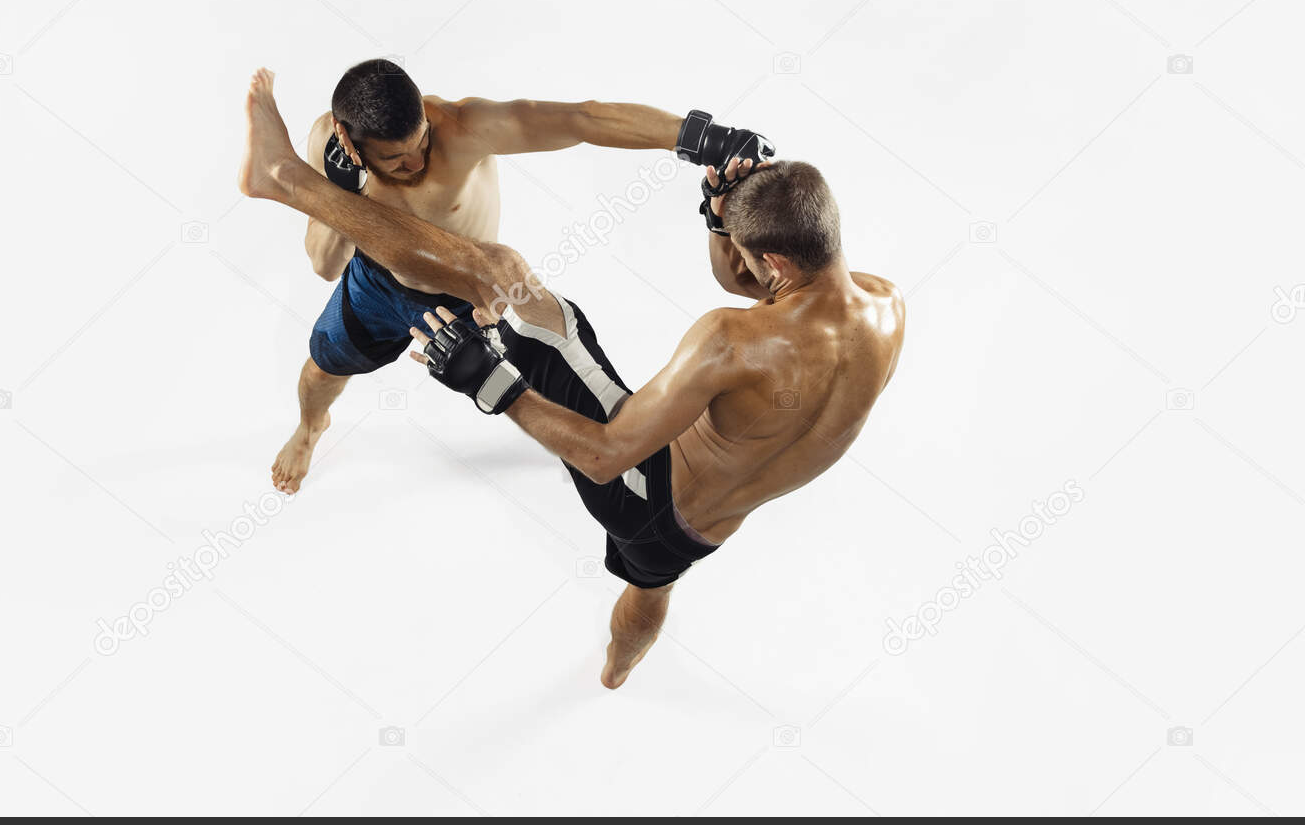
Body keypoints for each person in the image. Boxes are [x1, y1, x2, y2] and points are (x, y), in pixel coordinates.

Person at [241, 69, 904, 689]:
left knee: (529, 296)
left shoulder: (730, 342)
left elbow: (603, 454)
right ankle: (616, 671)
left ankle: (284, 180)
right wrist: (718, 213)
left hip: (641, 487)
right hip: (704, 530)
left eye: (739, 250)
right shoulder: (887, 308)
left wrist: (489, 385)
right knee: (649, 590)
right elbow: (770, 291)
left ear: (776, 262)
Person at [272, 58, 689, 494]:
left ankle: (626, 453)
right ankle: (310, 428)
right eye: (395, 158)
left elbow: (580, 118)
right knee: (321, 372)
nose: (416, 164)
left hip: (473, 292)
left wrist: (695, 136)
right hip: (375, 284)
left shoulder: (464, 126)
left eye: (422, 141)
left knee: (562, 378)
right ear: (347, 139)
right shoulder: (326, 144)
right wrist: (342, 193)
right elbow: (324, 265)